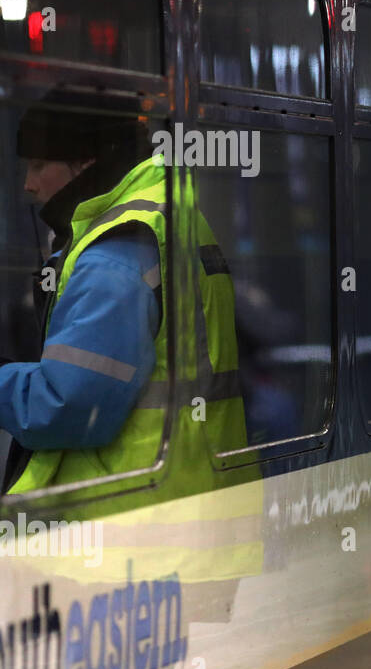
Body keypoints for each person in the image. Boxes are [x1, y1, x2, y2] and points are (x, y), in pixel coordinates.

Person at [1, 103, 246, 495]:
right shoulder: (169, 213)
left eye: (38, 165)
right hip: (190, 499)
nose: (28, 185)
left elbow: (68, 407)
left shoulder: (115, 252)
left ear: (85, 164)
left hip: (127, 522)